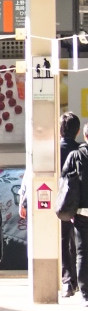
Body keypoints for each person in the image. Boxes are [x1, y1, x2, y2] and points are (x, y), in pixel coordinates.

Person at [60, 114, 88, 299]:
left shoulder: (73, 155)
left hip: (76, 208)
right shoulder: (78, 151)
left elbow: (64, 180)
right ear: (78, 132)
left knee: (78, 249)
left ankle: (74, 286)